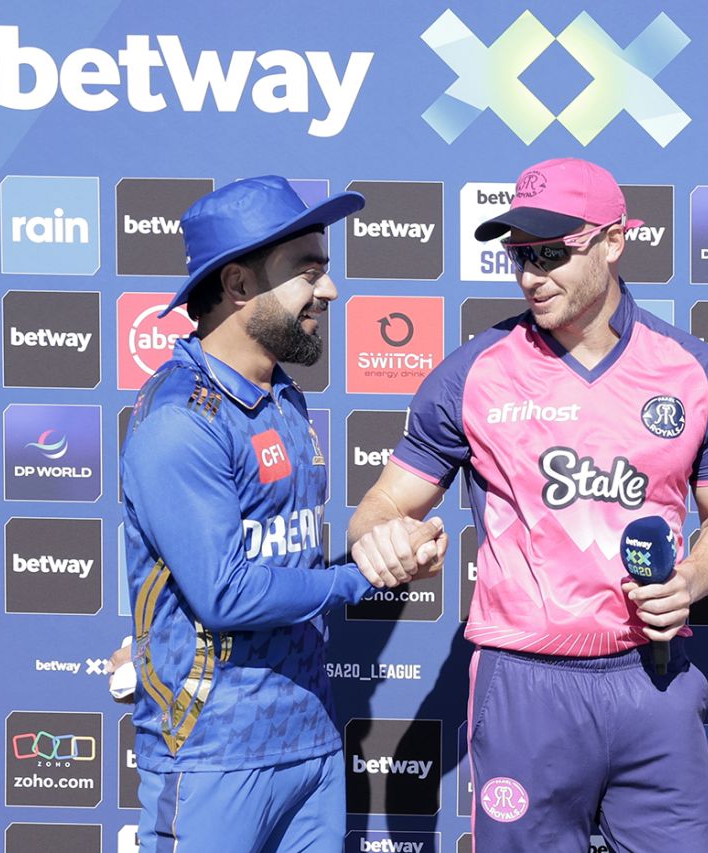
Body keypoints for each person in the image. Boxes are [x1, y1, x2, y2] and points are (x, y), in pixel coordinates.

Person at [348, 158, 708, 852]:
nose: (532, 274)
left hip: (652, 679)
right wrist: (381, 536)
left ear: (614, 241)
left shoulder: (691, 369)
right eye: (518, 255)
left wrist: (692, 580)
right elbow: (384, 503)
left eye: (551, 252)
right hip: (523, 684)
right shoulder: (473, 373)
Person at [120, 176, 444, 853]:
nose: (328, 291)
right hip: (212, 754)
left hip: (311, 741)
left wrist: (394, 549)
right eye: (307, 272)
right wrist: (362, 575)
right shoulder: (179, 419)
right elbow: (227, 591)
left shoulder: (284, 397)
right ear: (238, 285)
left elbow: (284, 559)